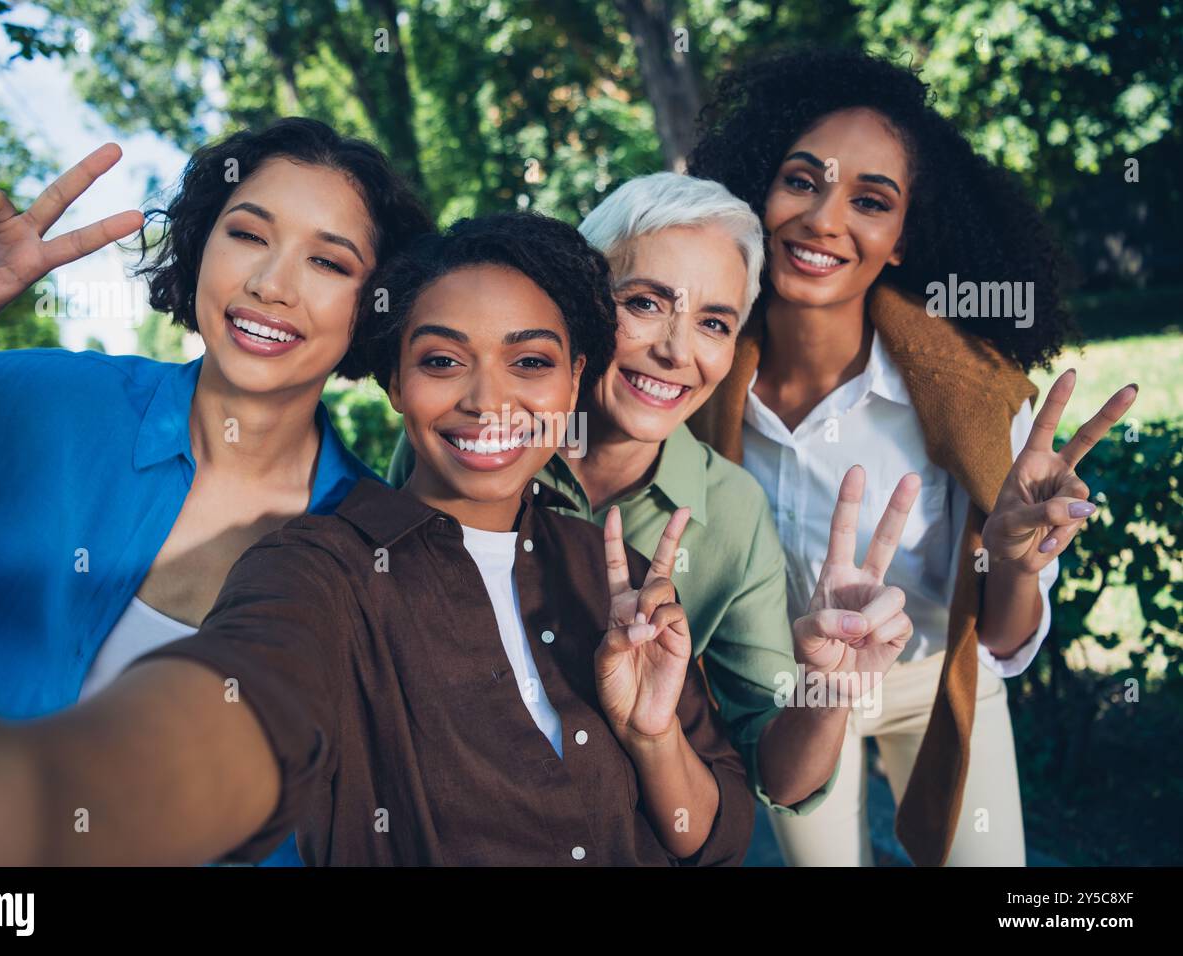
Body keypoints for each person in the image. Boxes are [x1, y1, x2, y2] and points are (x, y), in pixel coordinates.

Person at [0, 213, 753, 867]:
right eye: (442, 361)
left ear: (573, 379)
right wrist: (28, 800)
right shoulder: (323, 566)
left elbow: (706, 840)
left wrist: (652, 739)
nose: (489, 402)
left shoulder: (615, 574)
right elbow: (243, 703)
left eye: (530, 362)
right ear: (395, 386)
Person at [0, 118, 433, 865]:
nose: (272, 284)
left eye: (329, 263)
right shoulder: (52, 409)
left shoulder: (381, 552)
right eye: (247, 234)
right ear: (201, 245)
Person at [687, 47, 1138, 865]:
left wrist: (1018, 564)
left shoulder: (972, 396)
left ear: (901, 239)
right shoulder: (696, 384)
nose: (824, 218)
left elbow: (1003, 640)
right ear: (759, 190)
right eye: (801, 181)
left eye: (870, 200)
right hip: (797, 691)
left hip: (937, 682)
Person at [387, 172, 920, 817]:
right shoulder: (476, 438)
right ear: (578, 303)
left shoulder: (730, 512)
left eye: (714, 323)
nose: (676, 351)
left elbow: (778, 778)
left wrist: (827, 694)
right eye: (645, 303)